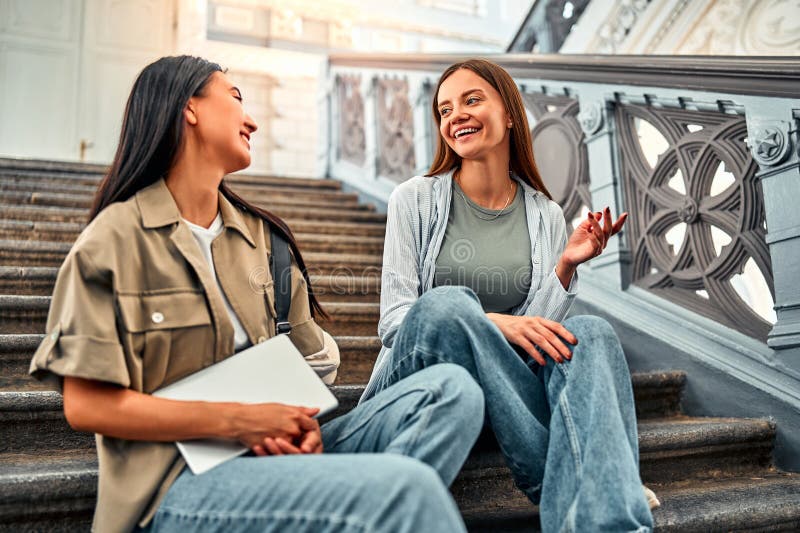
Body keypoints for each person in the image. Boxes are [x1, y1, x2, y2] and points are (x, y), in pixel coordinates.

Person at [29, 55, 485, 533]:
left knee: (452, 392)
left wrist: (294, 421)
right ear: (189, 108)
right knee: (404, 488)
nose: (252, 120)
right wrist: (237, 422)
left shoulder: (266, 242)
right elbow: (86, 405)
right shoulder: (114, 241)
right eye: (235, 98)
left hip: (273, 460)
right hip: (175, 483)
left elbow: (302, 369)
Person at [360, 58, 656, 532]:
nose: (455, 114)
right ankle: (598, 479)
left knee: (591, 333)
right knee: (447, 306)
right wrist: (493, 322)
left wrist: (564, 266)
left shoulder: (544, 214)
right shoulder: (413, 199)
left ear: (510, 112)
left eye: (472, 99)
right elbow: (397, 322)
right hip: (430, 384)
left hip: (504, 393)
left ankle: (606, 517)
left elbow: (534, 335)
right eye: (444, 109)